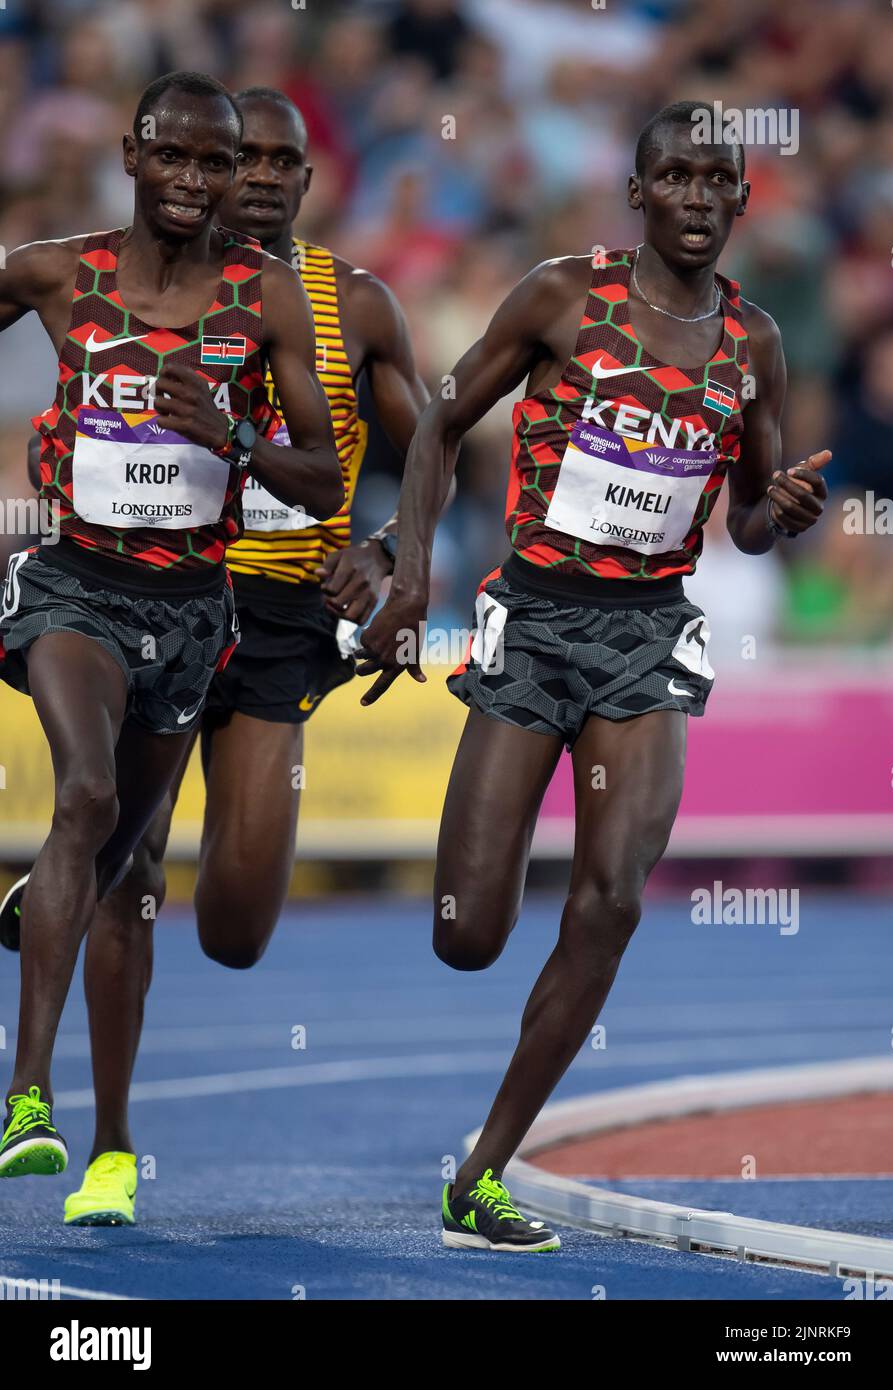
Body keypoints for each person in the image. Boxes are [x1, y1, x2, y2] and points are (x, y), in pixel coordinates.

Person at [358, 101, 830, 1251]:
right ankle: (491, 894)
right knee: (467, 932)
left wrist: (782, 510)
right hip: (534, 623)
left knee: (611, 897)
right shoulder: (562, 296)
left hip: (645, 640)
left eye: (720, 181)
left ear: (740, 201)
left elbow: (751, 522)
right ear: (638, 191)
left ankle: (482, 1169)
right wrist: (411, 579)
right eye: (675, 177)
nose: (699, 199)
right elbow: (437, 422)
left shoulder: (752, 341)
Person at [2, 85, 429, 1226]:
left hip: (240, 616)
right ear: (143, 158)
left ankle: (54, 890)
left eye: (258, 161)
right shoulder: (67, 271)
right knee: (105, 833)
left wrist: (385, 553)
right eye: (206, 160)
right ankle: (77, 1130)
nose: (235, 180)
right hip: (100, 585)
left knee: (226, 925)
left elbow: (373, 454)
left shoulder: (308, 300)